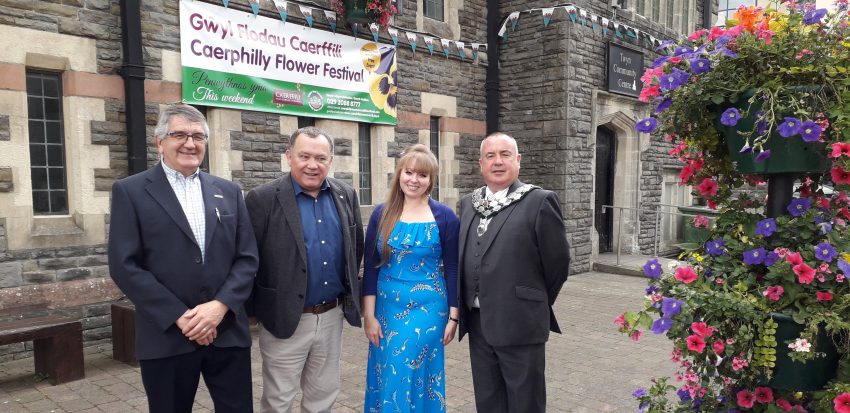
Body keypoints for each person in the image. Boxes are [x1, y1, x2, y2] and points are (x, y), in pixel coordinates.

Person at [107, 104, 259, 413]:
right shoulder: (131, 191)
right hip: (168, 336)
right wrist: (182, 317)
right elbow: (125, 265)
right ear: (159, 141)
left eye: (198, 136)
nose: (190, 143)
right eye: (179, 135)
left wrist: (218, 308)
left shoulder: (229, 192)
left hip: (226, 331)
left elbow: (247, 258)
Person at [245, 126, 364, 413]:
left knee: (322, 397)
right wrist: (251, 311)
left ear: (331, 161)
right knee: (278, 400)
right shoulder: (261, 199)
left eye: (321, 158)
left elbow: (356, 246)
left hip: (332, 316)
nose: (313, 165)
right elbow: (249, 259)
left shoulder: (345, 195)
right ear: (289, 156)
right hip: (284, 318)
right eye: (304, 156)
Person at [457, 132, 570, 413]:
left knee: (525, 404)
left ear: (518, 160)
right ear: (480, 163)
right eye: (490, 156)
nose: (498, 162)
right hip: (479, 324)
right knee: (488, 401)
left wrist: (531, 300)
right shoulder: (468, 204)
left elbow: (558, 264)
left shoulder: (539, 201)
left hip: (521, 323)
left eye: (505, 154)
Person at [361, 144, 460, 412]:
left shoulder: (445, 217)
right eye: (409, 172)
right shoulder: (382, 214)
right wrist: (368, 316)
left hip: (429, 309)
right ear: (400, 174)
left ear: (431, 180)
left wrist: (454, 317)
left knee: (412, 369)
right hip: (386, 309)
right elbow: (370, 267)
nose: (414, 180)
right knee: (389, 372)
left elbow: (452, 269)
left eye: (422, 175)